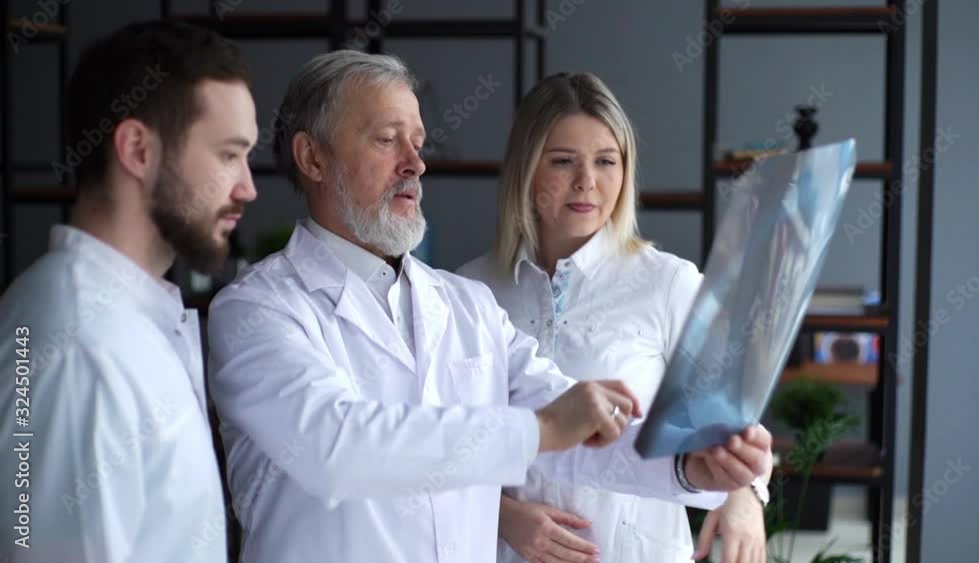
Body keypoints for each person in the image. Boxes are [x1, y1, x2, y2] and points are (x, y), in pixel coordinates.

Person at [205, 50, 772, 563]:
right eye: (386, 140)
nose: (415, 164)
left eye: (418, 143)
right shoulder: (256, 311)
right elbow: (337, 446)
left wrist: (687, 465)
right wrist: (542, 429)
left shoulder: (463, 303)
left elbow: (577, 425)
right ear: (313, 157)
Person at [458, 72, 771, 563]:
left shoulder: (669, 283)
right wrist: (504, 517)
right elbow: (445, 443)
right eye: (563, 161)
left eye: (606, 161)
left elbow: (731, 419)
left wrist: (745, 497)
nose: (587, 181)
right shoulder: (468, 291)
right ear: (525, 169)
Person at [0, 21, 258, 563]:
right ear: (138, 150)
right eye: (228, 155)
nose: (248, 188)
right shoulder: (81, 352)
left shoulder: (112, 323)